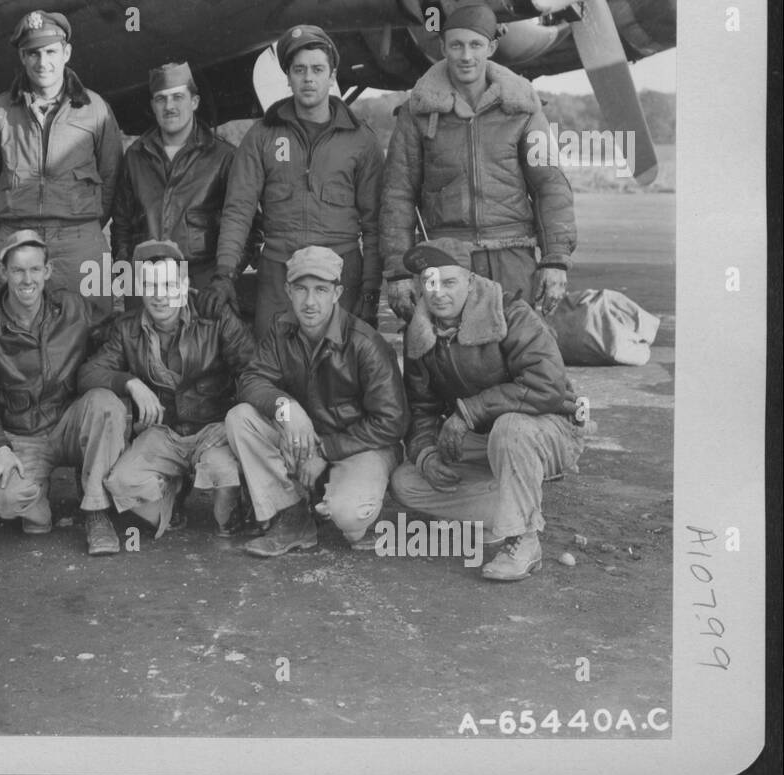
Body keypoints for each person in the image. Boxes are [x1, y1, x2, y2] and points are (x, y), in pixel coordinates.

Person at [388, 240, 587, 581]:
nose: (437, 293)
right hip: (484, 438)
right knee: (407, 482)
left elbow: (548, 386)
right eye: (429, 283)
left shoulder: (510, 313)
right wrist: (426, 456)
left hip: (549, 431)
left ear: (470, 280)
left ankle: (523, 541)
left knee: (510, 428)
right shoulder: (420, 333)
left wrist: (468, 412)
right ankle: (511, 505)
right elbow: (421, 409)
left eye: (448, 282)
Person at [379, 3, 577, 324]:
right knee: (447, 365)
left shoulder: (524, 110)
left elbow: (550, 186)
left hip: (512, 259)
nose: (466, 56)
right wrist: (399, 273)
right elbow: (397, 196)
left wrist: (555, 260)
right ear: (443, 47)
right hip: (445, 262)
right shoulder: (415, 114)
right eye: (456, 45)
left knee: (521, 356)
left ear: (492, 47)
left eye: (475, 45)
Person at [226, 245, 408, 557]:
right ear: (288, 290)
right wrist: (287, 408)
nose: (310, 302)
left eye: (321, 290)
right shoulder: (281, 330)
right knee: (240, 417)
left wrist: (325, 451)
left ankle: (343, 499)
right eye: (301, 289)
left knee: (348, 516)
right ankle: (293, 515)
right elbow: (252, 381)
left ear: (337, 292)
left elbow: (392, 422)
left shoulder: (364, 342)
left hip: (360, 445)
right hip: (306, 438)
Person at [203, 23, 384, 335]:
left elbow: (374, 224)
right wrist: (225, 274)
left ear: (332, 75)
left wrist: (369, 290)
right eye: (299, 70)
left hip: (340, 274)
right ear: (287, 77)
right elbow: (239, 210)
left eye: (317, 69)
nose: (309, 78)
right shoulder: (261, 136)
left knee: (339, 373)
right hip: (279, 275)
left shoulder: (361, 140)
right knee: (272, 366)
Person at [0, 229, 128, 556]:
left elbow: (116, 335)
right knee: (5, 500)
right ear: (3, 272)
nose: (27, 279)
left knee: (107, 404)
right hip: (23, 436)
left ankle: (95, 511)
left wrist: (127, 378)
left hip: (68, 423)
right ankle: (38, 501)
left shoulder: (71, 308)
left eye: (35, 269)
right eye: (18, 270)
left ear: (47, 272)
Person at [79, 239, 256, 537]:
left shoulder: (215, 317)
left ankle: (233, 498)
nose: (159, 296)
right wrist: (130, 383)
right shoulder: (127, 328)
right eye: (150, 286)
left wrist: (244, 426)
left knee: (225, 512)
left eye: (168, 285)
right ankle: (173, 492)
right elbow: (87, 373)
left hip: (212, 431)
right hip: (163, 435)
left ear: (184, 283)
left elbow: (254, 369)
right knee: (122, 485)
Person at [0, 10, 124, 317]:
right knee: (12, 335)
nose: (43, 63)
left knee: (91, 332)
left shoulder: (97, 110)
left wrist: (82, 225)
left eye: (51, 52)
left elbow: (111, 178)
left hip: (77, 240)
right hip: (17, 238)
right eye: (33, 54)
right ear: (22, 56)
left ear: (66, 52)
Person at [110, 62, 257, 292]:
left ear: (195, 102)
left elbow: (249, 226)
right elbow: (121, 224)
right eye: (161, 99)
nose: (169, 106)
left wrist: (224, 278)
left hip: (201, 279)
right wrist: (126, 272)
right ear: (153, 105)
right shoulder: (135, 156)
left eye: (178, 97)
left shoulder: (223, 157)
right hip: (147, 280)